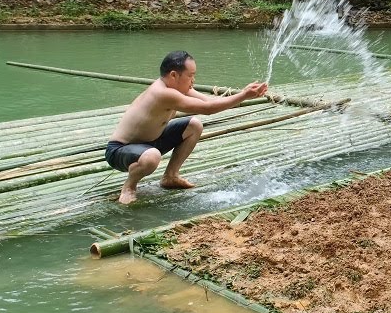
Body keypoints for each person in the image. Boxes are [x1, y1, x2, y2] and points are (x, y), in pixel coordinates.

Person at [105, 50, 268, 204]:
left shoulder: (175, 87)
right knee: (152, 156)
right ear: (174, 75)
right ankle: (129, 186)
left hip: (151, 142)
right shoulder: (163, 93)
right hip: (121, 150)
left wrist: (243, 93)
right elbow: (209, 110)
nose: (193, 81)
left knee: (194, 125)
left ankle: (171, 176)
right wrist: (244, 96)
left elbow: (210, 102)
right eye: (190, 76)